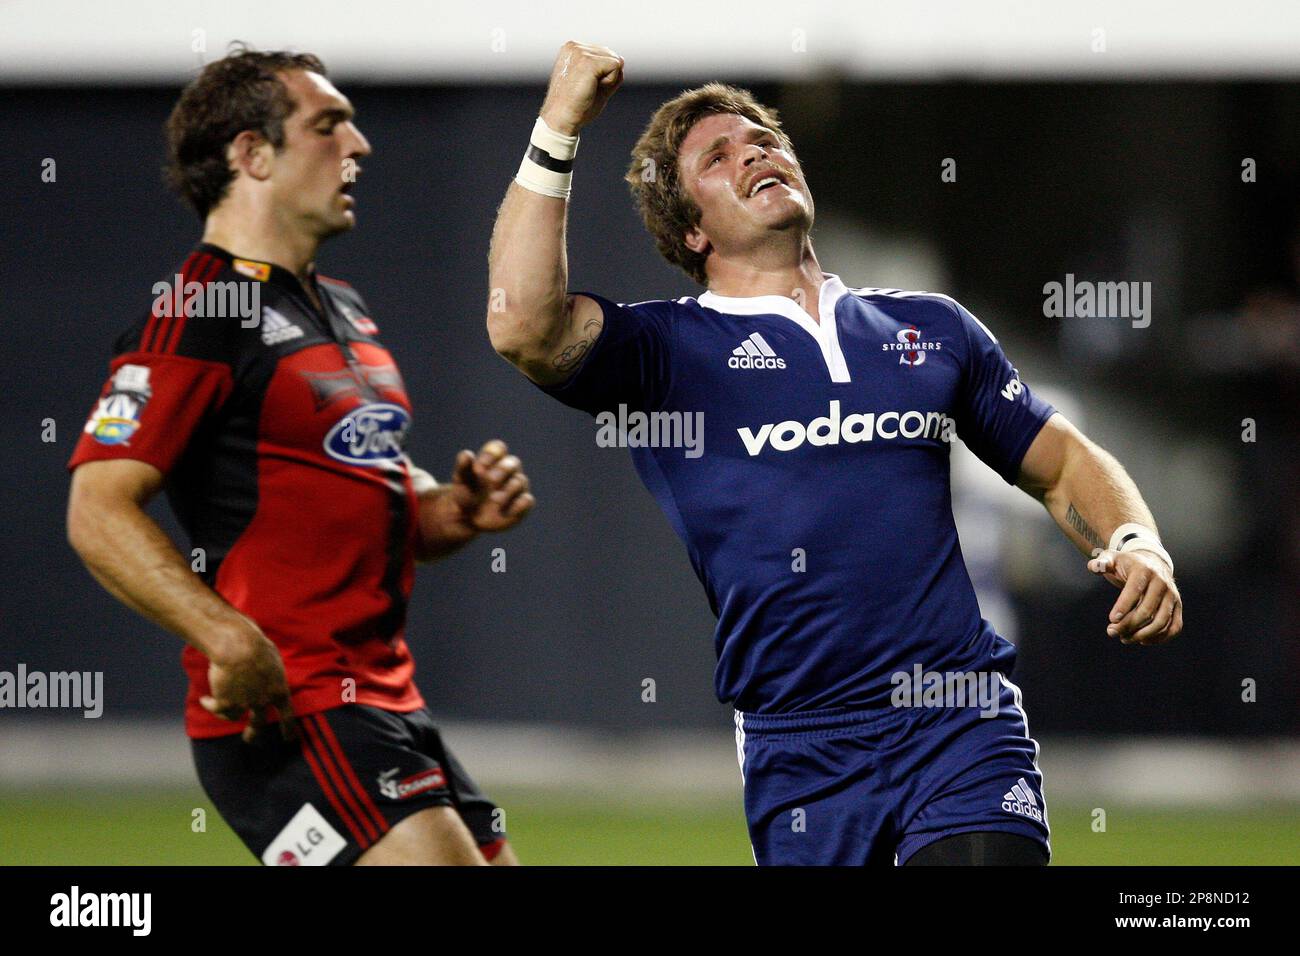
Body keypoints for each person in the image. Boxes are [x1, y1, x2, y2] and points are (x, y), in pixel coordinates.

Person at [486, 41, 1183, 866]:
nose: (756, 155)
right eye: (720, 156)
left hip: (958, 720)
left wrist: (1136, 542)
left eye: (766, 141)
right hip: (802, 748)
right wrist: (559, 125)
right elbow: (523, 325)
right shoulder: (668, 349)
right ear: (689, 229)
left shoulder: (932, 330)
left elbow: (1062, 459)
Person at [67, 47, 533, 866]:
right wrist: (229, 639)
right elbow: (96, 508)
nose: (360, 147)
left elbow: (366, 491)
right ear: (251, 154)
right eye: (329, 125)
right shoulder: (201, 308)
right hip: (289, 711)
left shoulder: (340, 306)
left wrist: (452, 510)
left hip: (386, 699)